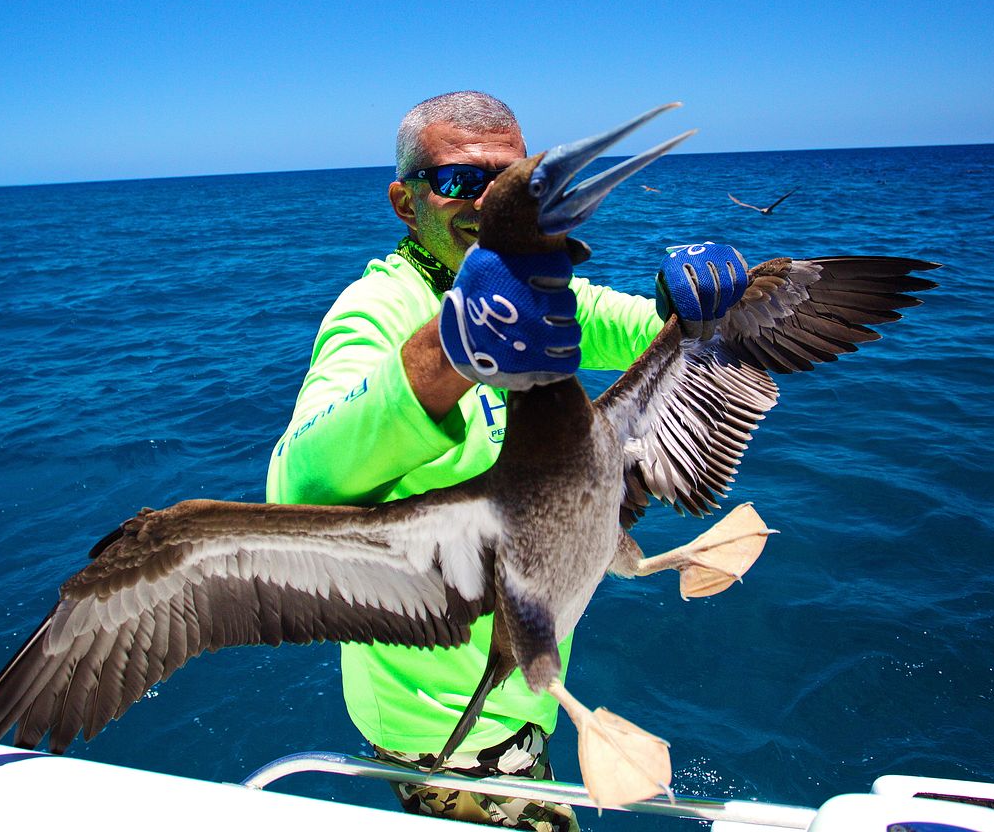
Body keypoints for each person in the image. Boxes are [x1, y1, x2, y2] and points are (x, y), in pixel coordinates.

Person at [266, 91, 742, 829]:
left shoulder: (537, 296)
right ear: (405, 201)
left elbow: (642, 327)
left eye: (509, 175)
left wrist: (696, 297)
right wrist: (451, 348)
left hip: (525, 711)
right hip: (451, 738)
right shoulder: (376, 309)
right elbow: (296, 482)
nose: (485, 198)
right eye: (458, 180)